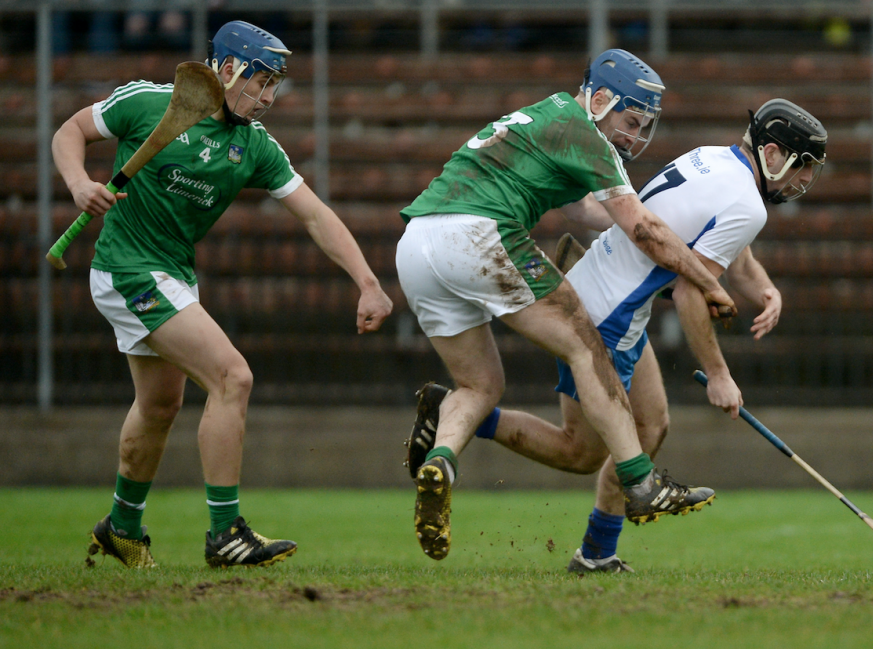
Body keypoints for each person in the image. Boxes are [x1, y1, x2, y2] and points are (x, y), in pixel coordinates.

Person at [410, 98, 828, 572]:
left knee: (652, 424)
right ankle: (459, 417)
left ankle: (596, 553)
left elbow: (730, 247)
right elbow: (693, 294)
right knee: (581, 451)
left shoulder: (713, 159)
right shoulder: (749, 205)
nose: (805, 182)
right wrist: (718, 374)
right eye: (805, 167)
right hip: (611, 318)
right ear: (773, 155)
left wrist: (766, 290)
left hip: (597, 292)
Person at [52, 20, 393, 569]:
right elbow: (70, 130)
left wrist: (368, 282)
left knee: (160, 403)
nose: (268, 98)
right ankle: (224, 533)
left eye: (275, 86)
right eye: (261, 83)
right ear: (227, 69)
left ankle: (121, 527)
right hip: (127, 268)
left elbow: (314, 215)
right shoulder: (149, 103)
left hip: (172, 274)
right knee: (233, 376)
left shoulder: (254, 145)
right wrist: (77, 183)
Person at [397, 49, 737, 561]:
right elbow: (640, 227)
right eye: (630, 120)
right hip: (476, 235)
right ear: (598, 99)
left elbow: (584, 209)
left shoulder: (549, 115)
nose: (635, 135)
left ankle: (441, 455)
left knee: (480, 385)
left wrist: (640, 232)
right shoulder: (583, 130)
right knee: (586, 345)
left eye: (644, 125)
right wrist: (706, 282)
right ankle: (641, 484)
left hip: (416, 245)